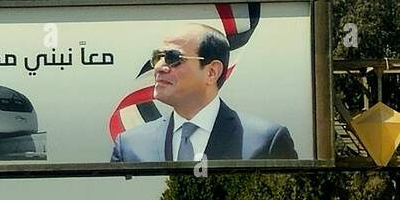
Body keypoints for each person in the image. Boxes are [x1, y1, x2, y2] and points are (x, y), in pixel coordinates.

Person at [110, 24, 297, 162]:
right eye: (157, 57)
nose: (159, 67)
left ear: (211, 72)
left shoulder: (265, 141)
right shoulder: (130, 146)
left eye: (173, 58)